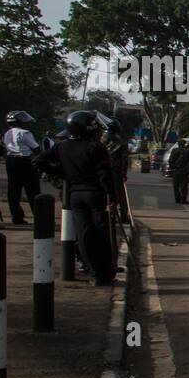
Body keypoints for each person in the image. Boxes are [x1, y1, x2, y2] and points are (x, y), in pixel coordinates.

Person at [33, 111, 118, 285]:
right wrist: (113, 198)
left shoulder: (62, 146)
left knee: (84, 235)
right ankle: (106, 272)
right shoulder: (96, 147)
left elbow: (38, 161)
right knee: (102, 234)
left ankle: (94, 273)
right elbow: (105, 176)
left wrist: (65, 174)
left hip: (75, 195)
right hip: (96, 194)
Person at [2, 110, 43, 225]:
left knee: (14, 190)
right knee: (32, 190)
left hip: (10, 161)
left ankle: (16, 217)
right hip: (25, 161)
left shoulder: (7, 133)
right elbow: (36, 148)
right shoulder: (25, 133)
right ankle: (39, 217)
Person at [102, 121, 131, 224]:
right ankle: (123, 216)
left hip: (103, 170)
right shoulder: (121, 141)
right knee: (120, 194)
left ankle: (109, 216)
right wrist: (124, 174)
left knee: (106, 192)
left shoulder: (102, 139)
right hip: (116, 171)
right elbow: (124, 160)